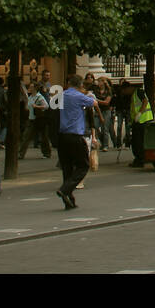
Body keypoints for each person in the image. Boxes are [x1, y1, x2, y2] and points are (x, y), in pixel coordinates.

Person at [55, 74, 97, 209]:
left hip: (62, 136)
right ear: (80, 85)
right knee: (83, 165)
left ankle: (69, 199)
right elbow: (94, 103)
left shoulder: (62, 95)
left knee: (67, 167)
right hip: (75, 135)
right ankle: (65, 189)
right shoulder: (79, 96)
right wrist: (87, 94)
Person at [20, 85, 50, 159]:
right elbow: (27, 108)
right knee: (26, 136)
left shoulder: (39, 97)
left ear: (35, 89)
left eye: (31, 87)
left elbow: (46, 106)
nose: (29, 88)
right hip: (31, 119)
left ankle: (47, 153)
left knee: (44, 137)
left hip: (39, 119)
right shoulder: (30, 97)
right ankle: (20, 153)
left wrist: (36, 107)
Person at [128, 83, 154, 166]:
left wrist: (139, 113)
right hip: (138, 121)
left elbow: (145, 101)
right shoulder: (133, 95)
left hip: (143, 120)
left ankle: (140, 159)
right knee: (138, 141)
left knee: (138, 141)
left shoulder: (138, 92)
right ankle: (141, 158)